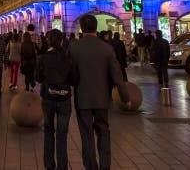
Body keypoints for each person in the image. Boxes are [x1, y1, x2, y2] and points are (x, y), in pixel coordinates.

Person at [69, 14, 131, 170]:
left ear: (81, 28)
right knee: (103, 132)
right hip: (102, 98)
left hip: (82, 98)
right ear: (96, 28)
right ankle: (105, 166)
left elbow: (70, 74)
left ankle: (91, 166)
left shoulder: (74, 48)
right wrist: (125, 97)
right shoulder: (107, 48)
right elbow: (117, 76)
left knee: (86, 135)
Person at [36, 29, 73, 170]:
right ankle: (62, 167)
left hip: (48, 98)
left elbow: (38, 78)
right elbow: (74, 78)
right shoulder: (67, 58)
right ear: (62, 41)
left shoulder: (43, 58)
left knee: (48, 132)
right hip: (64, 100)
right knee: (62, 135)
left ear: (48, 41)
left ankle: (49, 165)